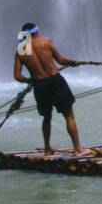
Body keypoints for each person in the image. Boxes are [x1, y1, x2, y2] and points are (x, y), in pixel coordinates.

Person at [13, 22, 85, 154]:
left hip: (39, 85)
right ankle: (78, 149)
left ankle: (47, 148)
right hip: (55, 80)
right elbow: (61, 61)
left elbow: (17, 76)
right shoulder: (45, 41)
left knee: (46, 117)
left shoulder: (21, 50)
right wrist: (72, 62)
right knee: (68, 115)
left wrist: (30, 80)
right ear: (36, 32)